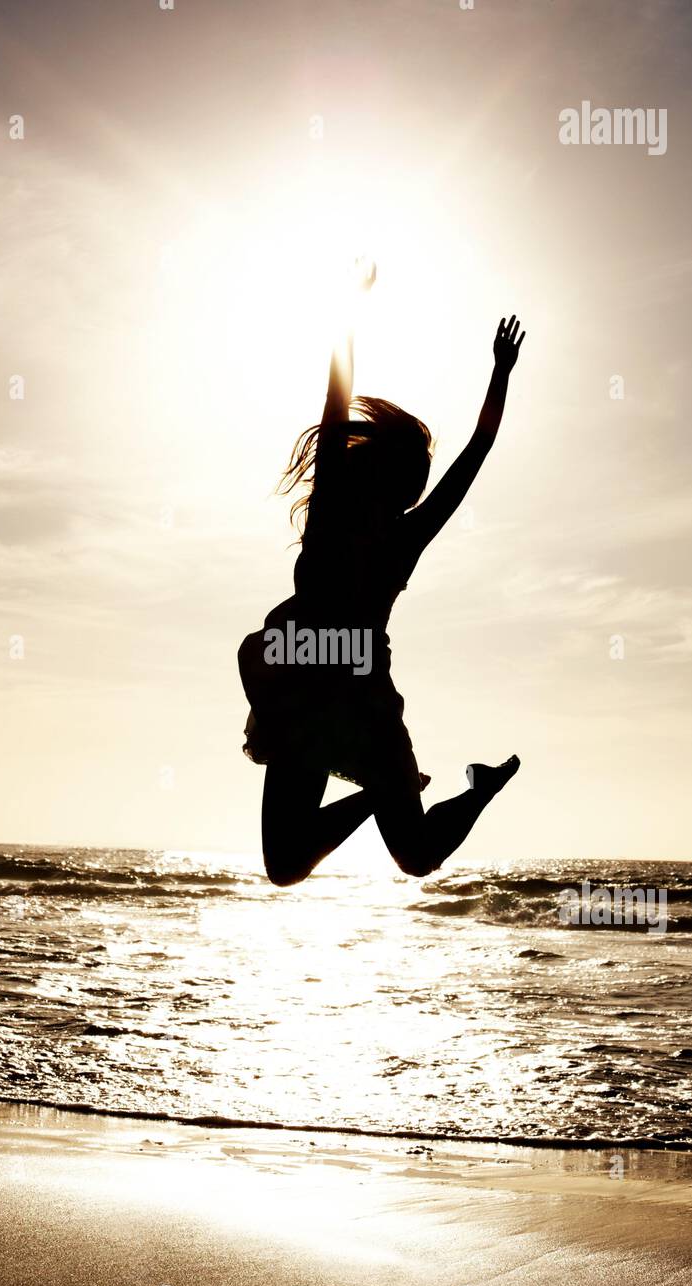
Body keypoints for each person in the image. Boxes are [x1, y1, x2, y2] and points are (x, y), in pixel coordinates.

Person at [238, 258, 525, 885]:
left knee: (418, 856)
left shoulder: (405, 537)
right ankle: (380, 795)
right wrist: (350, 314)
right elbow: (336, 398)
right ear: (378, 475)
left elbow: (474, 455)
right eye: (407, 477)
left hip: (363, 702)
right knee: (284, 865)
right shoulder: (329, 509)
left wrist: (499, 377)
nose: (413, 490)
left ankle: (477, 790)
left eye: (415, 484)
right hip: (303, 688)